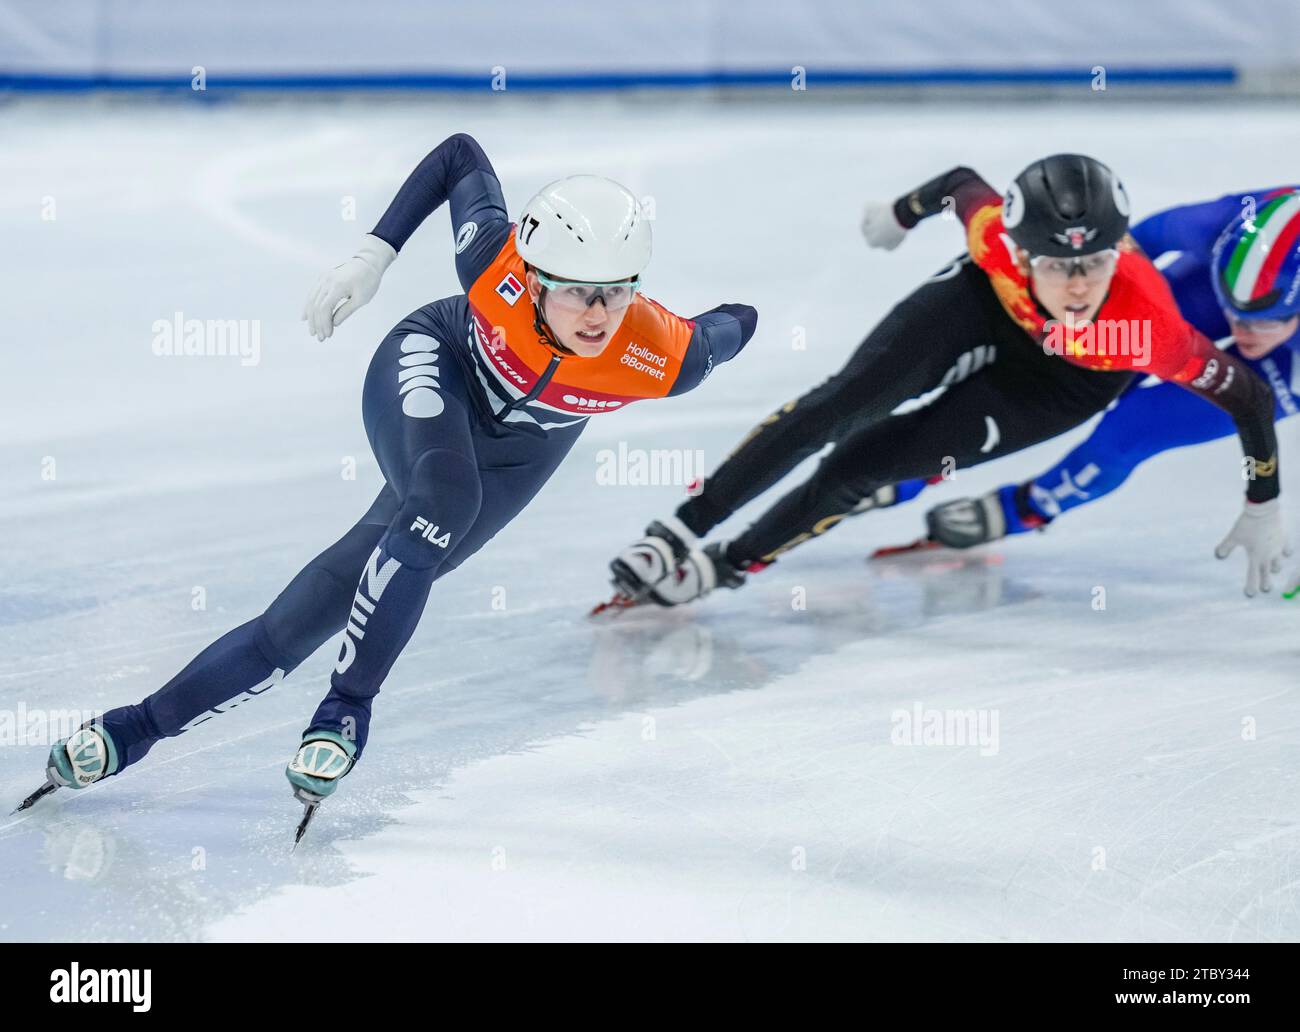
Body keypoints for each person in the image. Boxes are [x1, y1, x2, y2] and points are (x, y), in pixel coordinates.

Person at [28, 133, 756, 820]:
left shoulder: (663, 355)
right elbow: (461, 155)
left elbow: (736, 322)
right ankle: (347, 709)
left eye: (615, 291)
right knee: (445, 498)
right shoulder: (492, 262)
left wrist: (733, 319)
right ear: (531, 278)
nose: (597, 314)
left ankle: (131, 730)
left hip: (519, 455)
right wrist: (374, 255)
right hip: (434, 366)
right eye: (574, 291)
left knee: (325, 602)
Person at [607, 154, 1287, 610]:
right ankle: (677, 531)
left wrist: (1263, 502)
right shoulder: (993, 237)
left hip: (1067, 383)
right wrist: (900, 215)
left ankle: (724, 565)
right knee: (839, 407)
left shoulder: (1151, 327)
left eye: (1096, 264)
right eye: (1055, 265)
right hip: (984, 305)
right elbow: (959, 182)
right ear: (1020, 250)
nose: (1077, 287)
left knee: (864, 468)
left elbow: (1249, 397)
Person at [908, 187, 1300, 597]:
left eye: (1260, 323)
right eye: (1232, 313)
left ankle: (1024, 508)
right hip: (1212, 282)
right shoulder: (1213, 226)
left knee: (1135, 429)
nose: (1240, 330)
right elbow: (1128, 252)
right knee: (1086, 369)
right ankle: (930, 456)